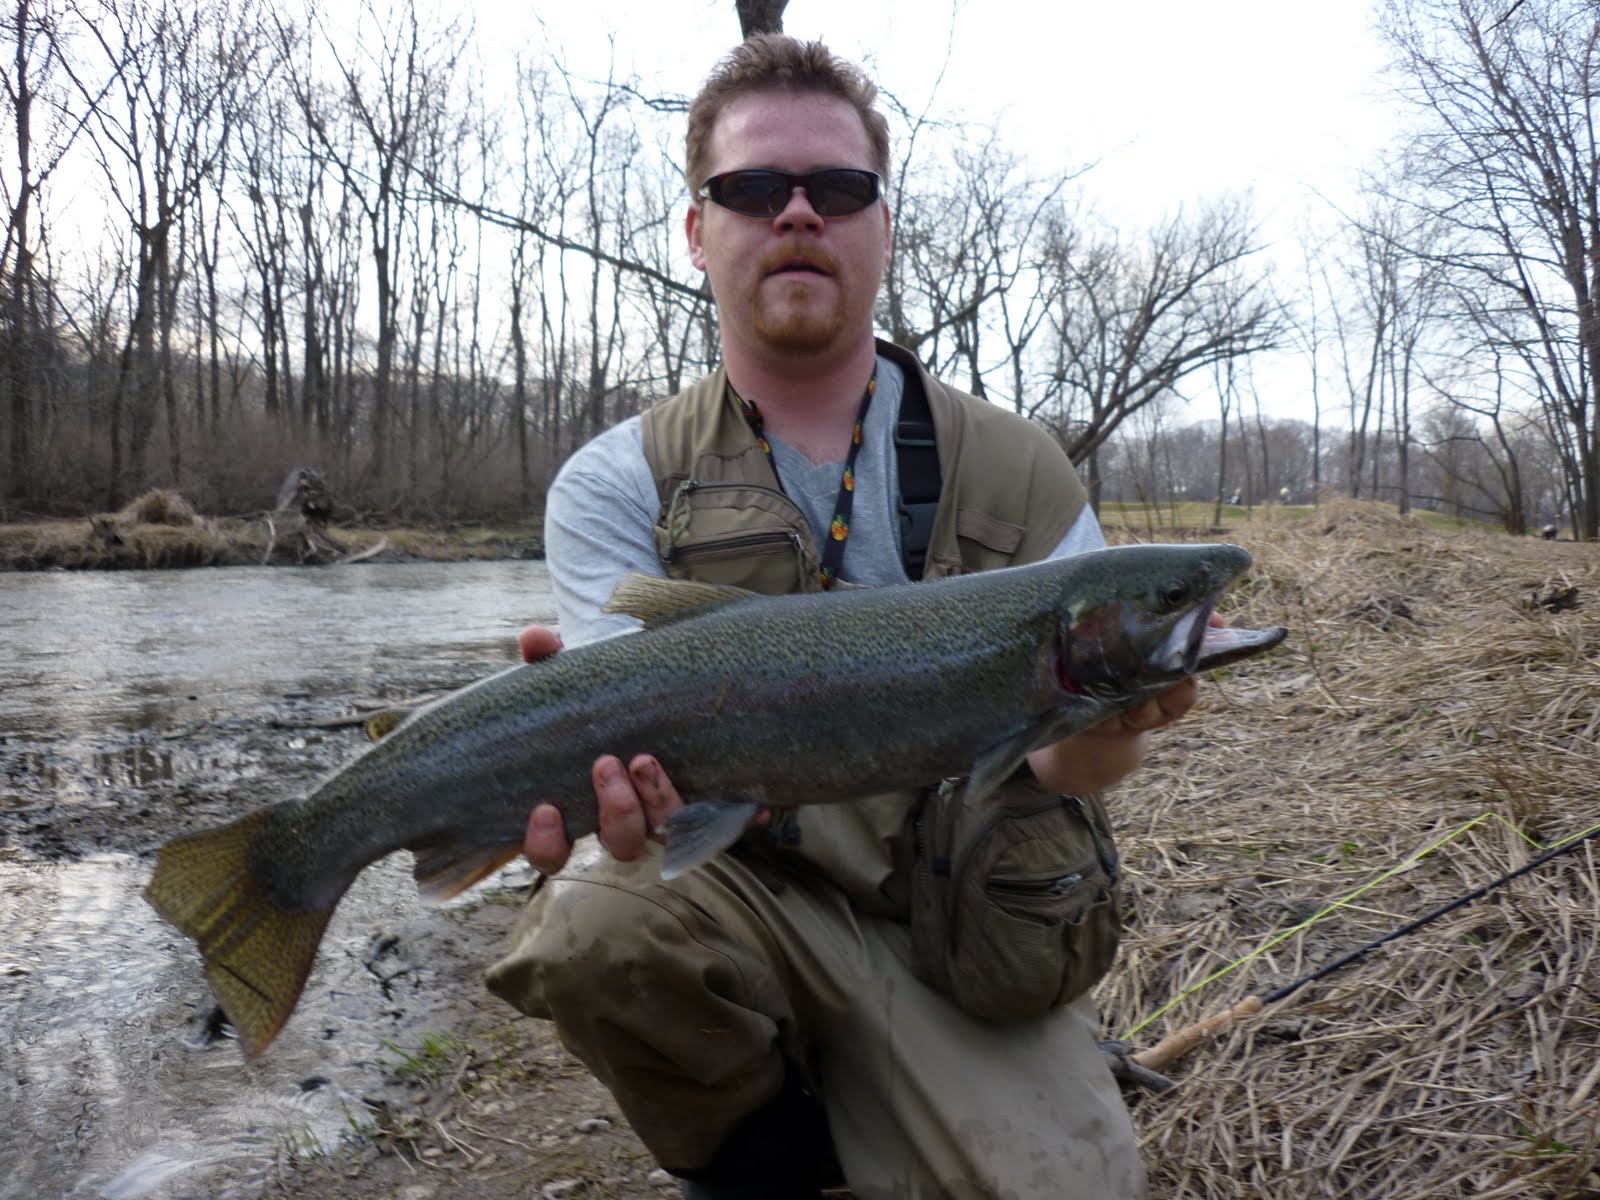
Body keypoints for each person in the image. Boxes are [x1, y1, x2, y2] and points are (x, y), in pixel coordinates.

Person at [486, 35, 1200, 1200]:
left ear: (881, 223)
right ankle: (768, 1161)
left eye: (840, 188)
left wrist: (1122, 712)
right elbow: (634, 782)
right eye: (755, 190)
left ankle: (900, 1084)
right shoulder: (616, 482)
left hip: (952, 914)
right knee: (594, 927)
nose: (799, 214)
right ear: (697, 229)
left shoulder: (1021, 471)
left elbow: (1070, 765)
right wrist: (579, 762)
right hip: (738, 893)